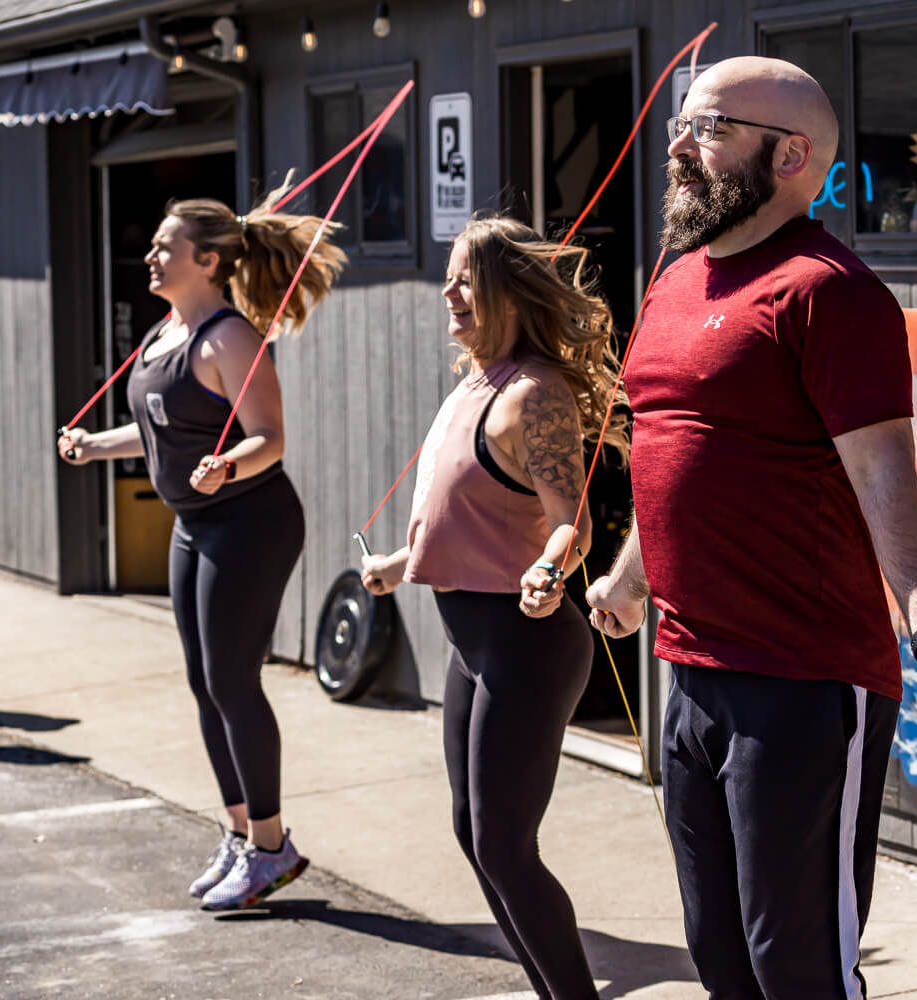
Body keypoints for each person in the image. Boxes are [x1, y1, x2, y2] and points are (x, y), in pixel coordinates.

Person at [584, 57, 917, 998]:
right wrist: (630, 578)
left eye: (708, 128)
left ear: (791, 155)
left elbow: (885, 479)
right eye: (680, 127)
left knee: (801, 970)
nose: (679, 148)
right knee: (721, 960)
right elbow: (678, 455)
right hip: (689, 675)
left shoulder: (830, 292)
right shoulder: (674, 283)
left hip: (802, 684)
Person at [57, 183, 346, 911]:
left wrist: (229, 466)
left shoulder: (229, 339)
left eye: (166, 247)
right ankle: (241, 833)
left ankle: (272, 849)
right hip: (194, 524)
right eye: (155, 247)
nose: (151, 257)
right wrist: (96, 445)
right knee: (204, 683)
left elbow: (269, 439)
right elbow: (164, 428)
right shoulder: (164, 334)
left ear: (208, 260)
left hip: (250, 523)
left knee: (232, 681)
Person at [360, 216, 626, 1000]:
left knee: (505, 846)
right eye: (448, 278)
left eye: (466, 280)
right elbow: (466, 518)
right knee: (473, 834)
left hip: (527, 643)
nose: (450, 292)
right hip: (471, 642)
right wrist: (400, 564)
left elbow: (572, 522)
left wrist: (550, 566)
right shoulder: (472, 385)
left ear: (508, 292)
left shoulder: (534, 393)